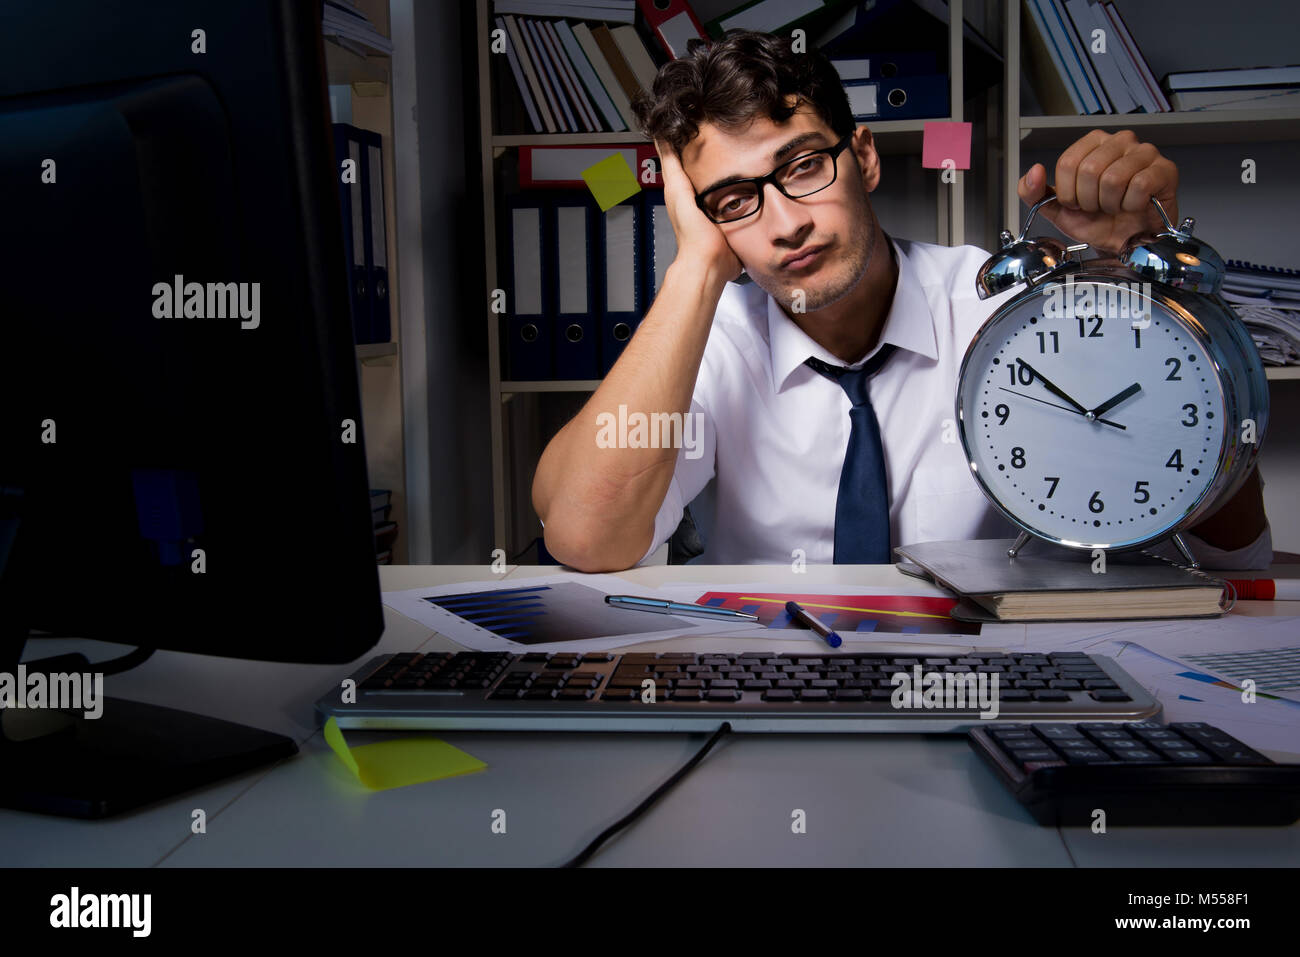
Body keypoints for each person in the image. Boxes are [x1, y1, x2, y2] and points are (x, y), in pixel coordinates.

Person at [532, 31, 1270, 571]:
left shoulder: (1010, 317)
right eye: (734, 199)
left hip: (994, 682)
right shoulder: (717, 338)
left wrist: (1143, 297)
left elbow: (1230, 550)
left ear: (866, 157)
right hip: (777, 697)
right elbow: (587, 535)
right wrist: (693, 267)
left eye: (804, 166)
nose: (786, 222)